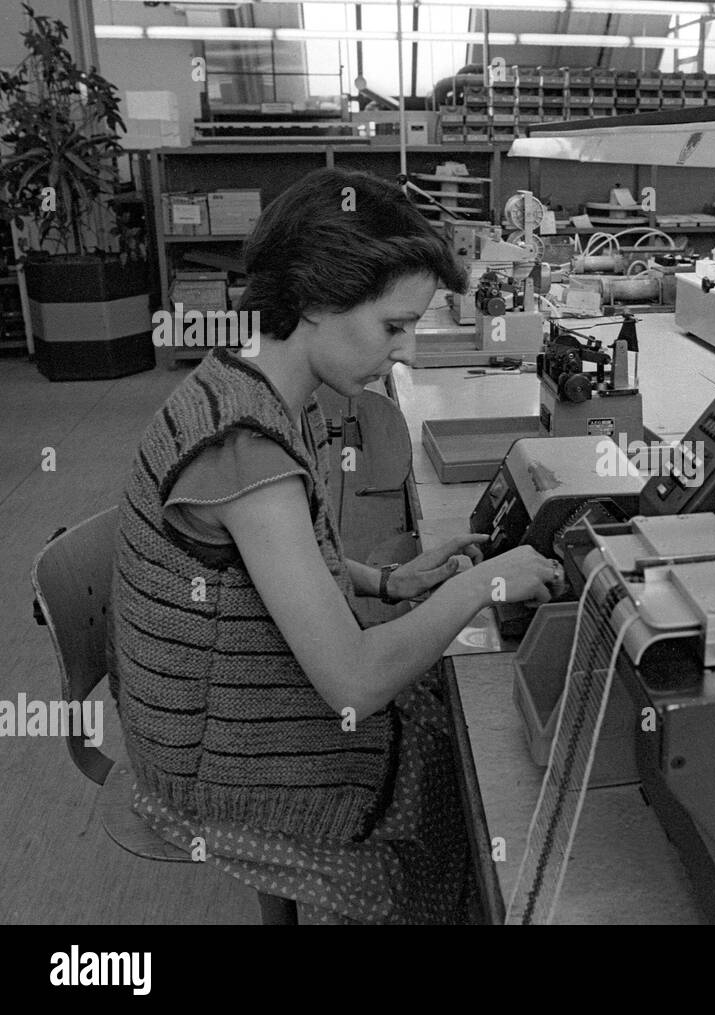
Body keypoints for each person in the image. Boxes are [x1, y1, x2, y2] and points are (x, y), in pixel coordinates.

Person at [109, 168, 561, 923]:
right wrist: (482, 585)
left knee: (441, 708)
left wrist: (385, 582)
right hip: (212, 770)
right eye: (394, 326)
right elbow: (354, 683)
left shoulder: (249, 389)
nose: (408, 353)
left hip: (209, 717)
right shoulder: (244, 447)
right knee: (462, 777)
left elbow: (269, 560)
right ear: (317, 299)